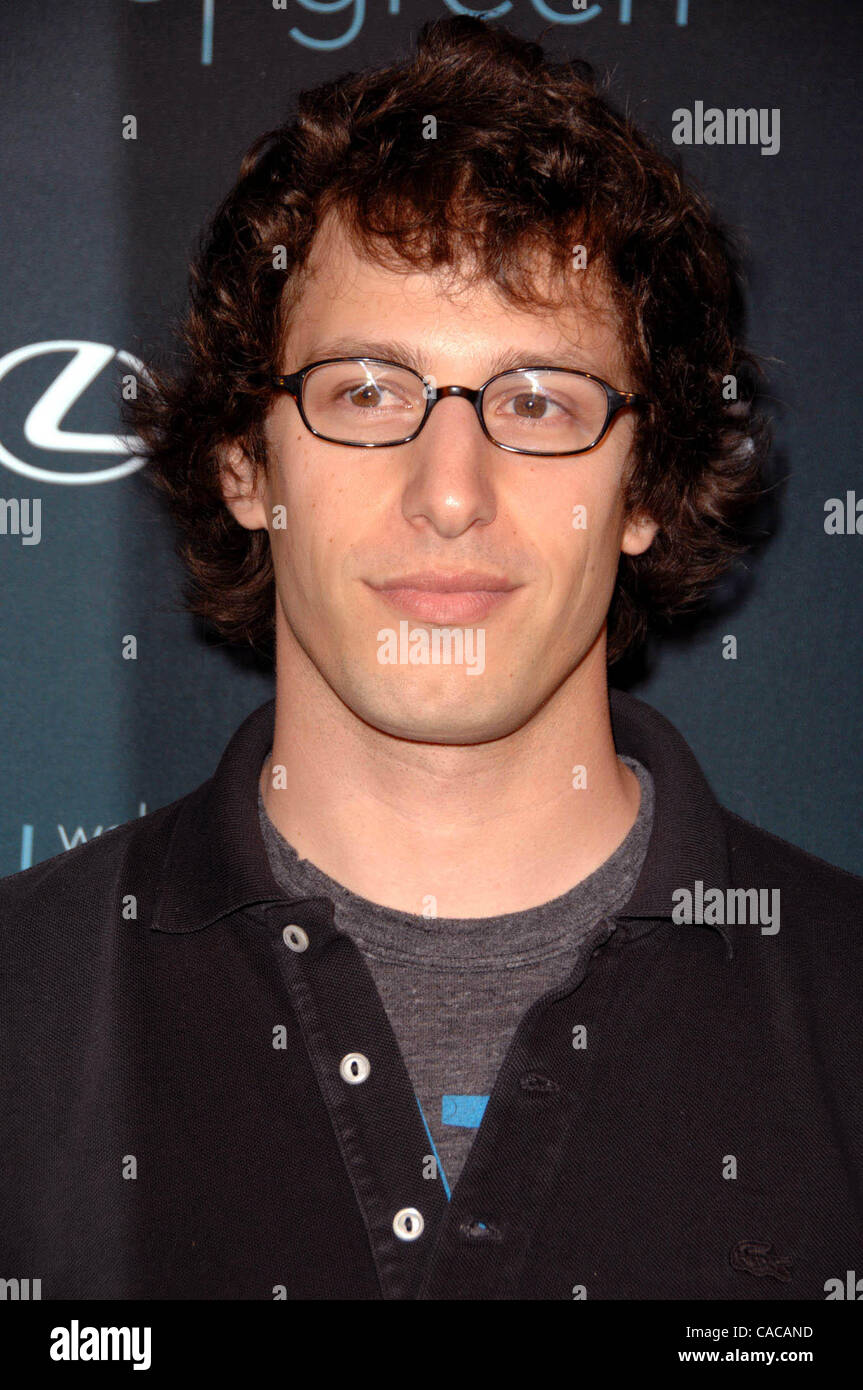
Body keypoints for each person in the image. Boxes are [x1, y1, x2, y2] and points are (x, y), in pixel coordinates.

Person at [2, 16, 861, 1301]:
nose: (448, 491)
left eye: (537, 402)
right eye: (363, 391)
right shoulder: (25, 1004)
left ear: (645, 487)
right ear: (247, 462)